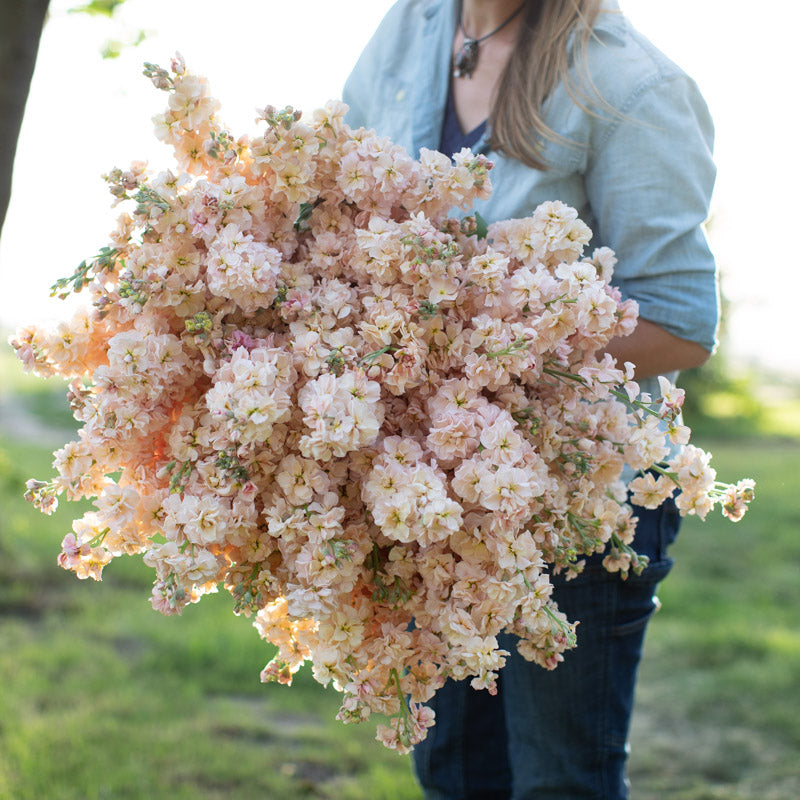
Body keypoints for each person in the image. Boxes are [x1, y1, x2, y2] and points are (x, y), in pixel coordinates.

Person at [343, 1, 718, 798]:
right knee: (454, 774)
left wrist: (490, 352)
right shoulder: (414, 26)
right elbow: (342, 201)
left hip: (578, 502)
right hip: (432, 498)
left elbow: (681, 326)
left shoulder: (630, 84)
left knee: (558, 784)